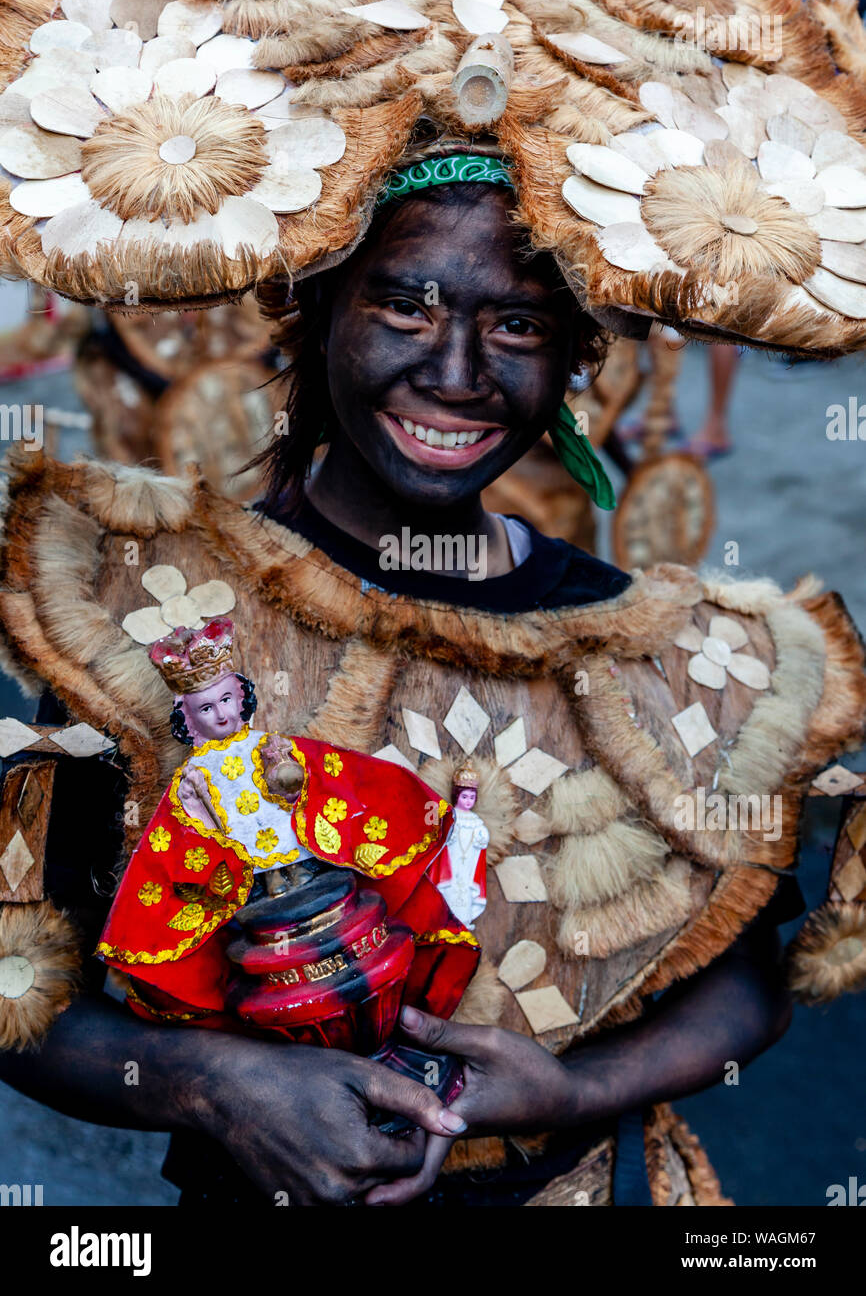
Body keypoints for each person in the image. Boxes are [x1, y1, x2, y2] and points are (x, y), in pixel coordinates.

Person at [2, 157, 859, 1209]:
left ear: (577, 355)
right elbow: (18, 978)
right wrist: (212, 1083)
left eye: (519, 325)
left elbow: (744, 981)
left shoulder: (666, 652)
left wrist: (573, 1089)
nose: (457, 374)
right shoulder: (149, 609)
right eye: (406, 307)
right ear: (316, 311)